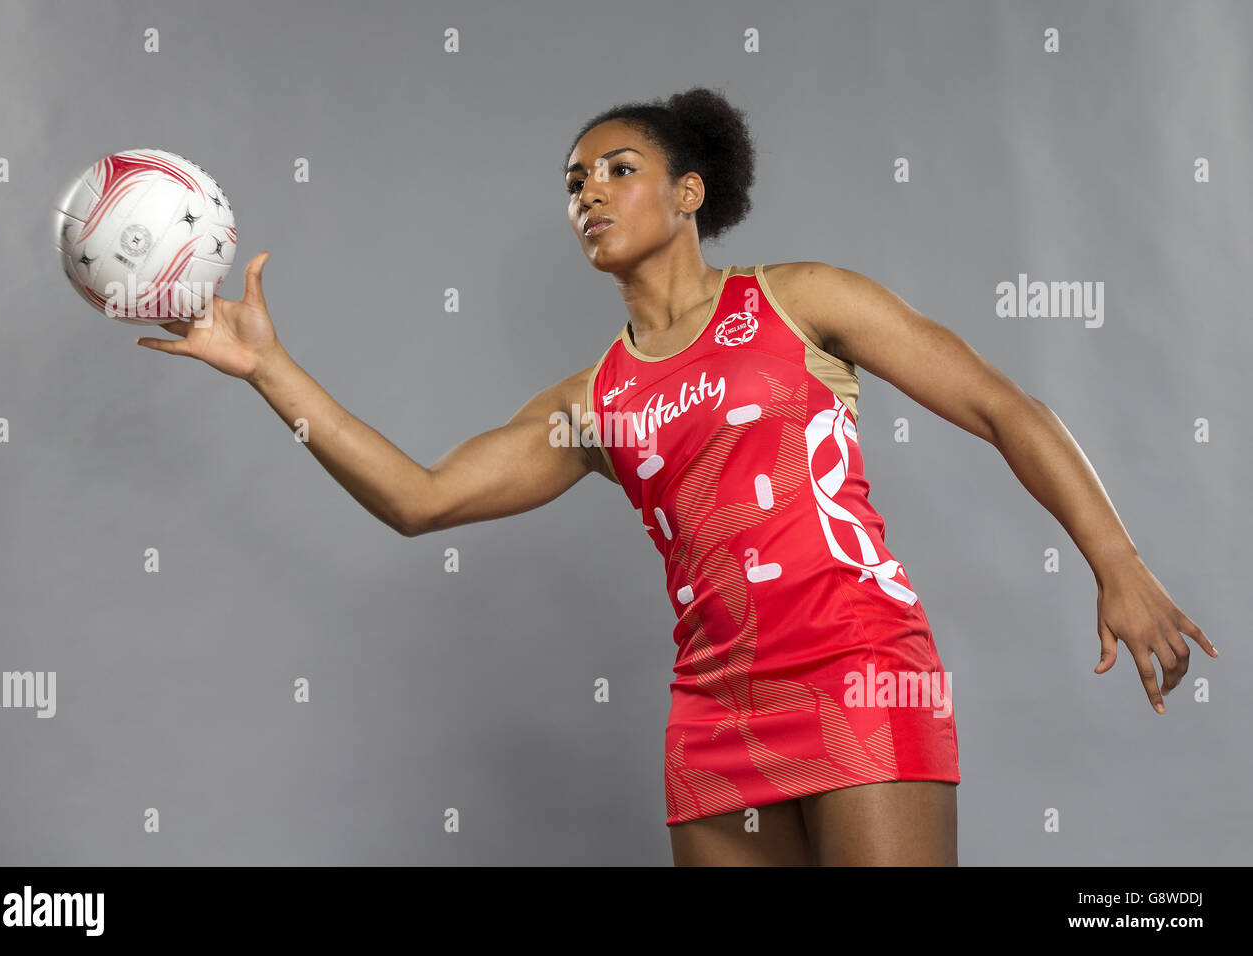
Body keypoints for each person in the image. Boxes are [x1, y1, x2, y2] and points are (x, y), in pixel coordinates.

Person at [136, 87, 1217, 867]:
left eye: (616, 170)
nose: (588, 194)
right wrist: (268, 370)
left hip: (858, 668)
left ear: (688, 191)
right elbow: (421, 498)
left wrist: (1113, 557)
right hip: (715, 713)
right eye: (573, 183)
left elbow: (1002, 405)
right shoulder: (592, 397)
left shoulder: (801, 300)